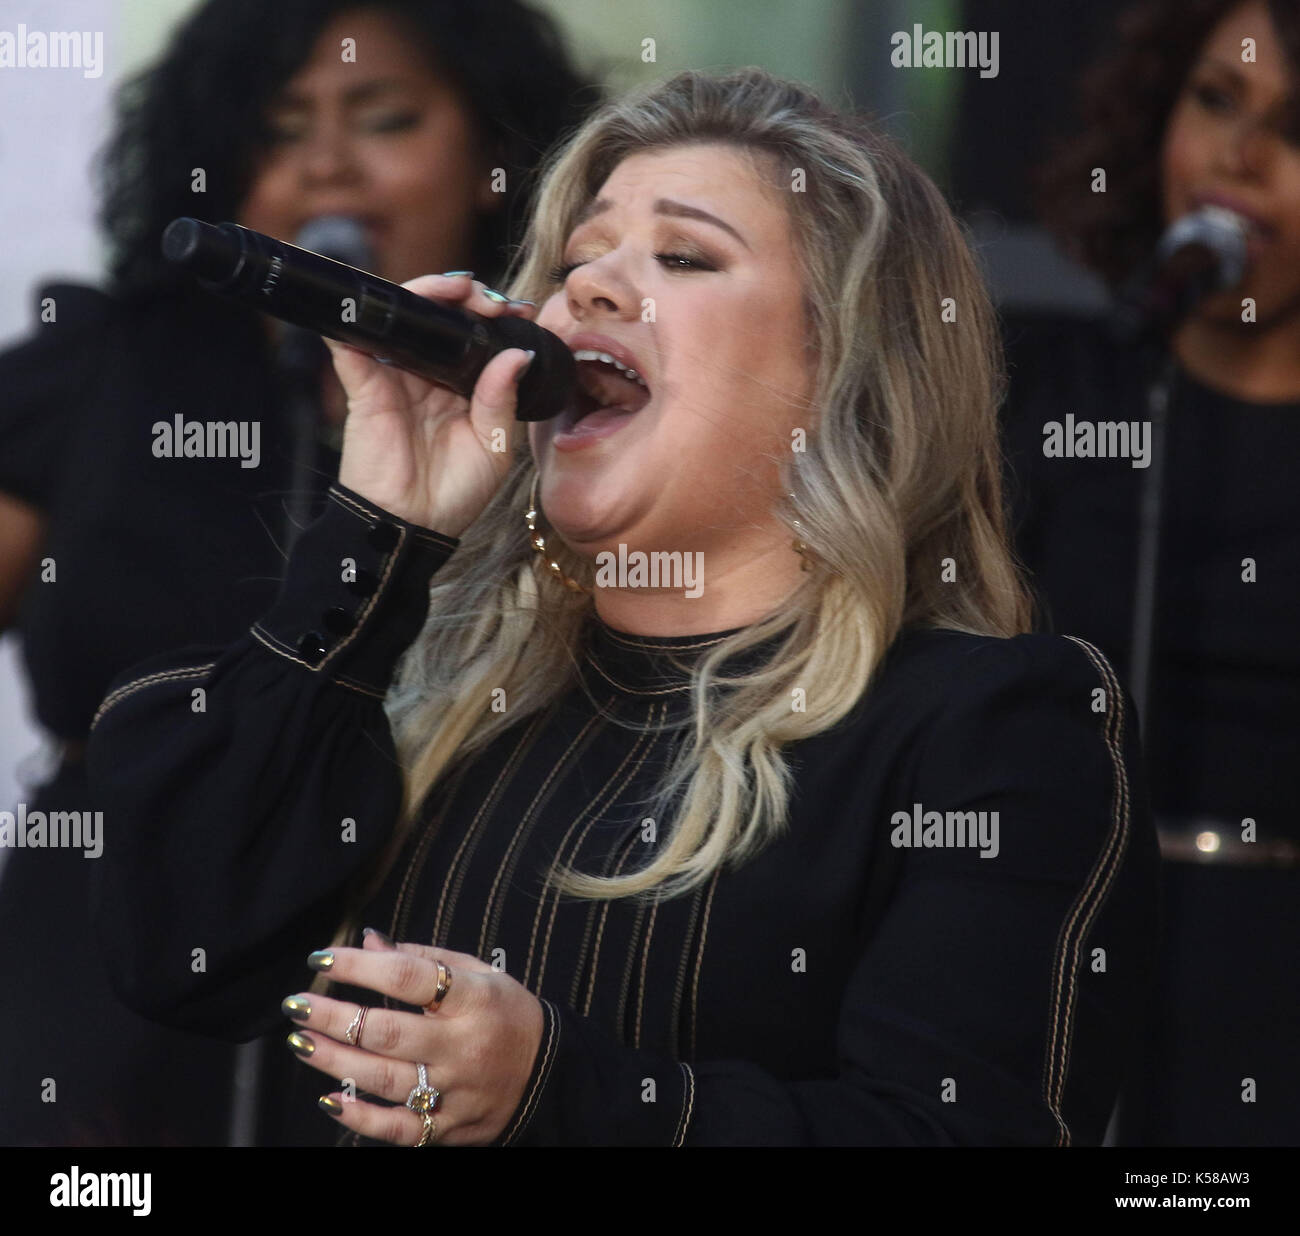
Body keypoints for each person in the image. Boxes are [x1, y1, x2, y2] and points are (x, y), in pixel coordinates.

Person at [86, 66, 1159, 1147]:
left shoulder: (987, 730)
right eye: (572, 261)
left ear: (845, 370)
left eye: (683, 256)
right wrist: (378, 529)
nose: (588, 291)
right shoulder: (439, 687)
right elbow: (184, 959)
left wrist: (560, 1096)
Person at [0, 0, 590, 1145]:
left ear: (494, 155)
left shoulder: (559, 400)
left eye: (385, 118)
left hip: (433, 936)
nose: (327, 163)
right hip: (107, 930)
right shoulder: (110, 365)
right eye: (278, 130)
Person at [1002, 0, 1300, 1144]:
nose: (1239, 155)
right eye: (1215, 100)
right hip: (1051, 958)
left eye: (1293, 125)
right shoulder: (1048, 390)